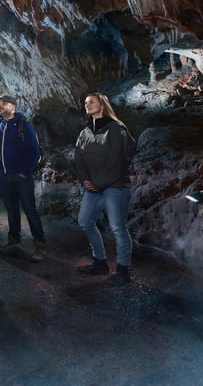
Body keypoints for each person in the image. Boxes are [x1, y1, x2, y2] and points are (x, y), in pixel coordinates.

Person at [74, 92, 138, 284]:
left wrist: (98, 183)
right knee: (85, 222)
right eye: (85, 102)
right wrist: (85, 180)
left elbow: (117, 161)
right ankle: (100, 262)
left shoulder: (116, 129)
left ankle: (123, 270)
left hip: (115, 186)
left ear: (102, 104)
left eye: (91, 101)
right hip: (92, 187)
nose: (87, 104)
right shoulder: (85, 132)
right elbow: (78, 158)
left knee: (118, 227)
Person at [0, 94, 46, 262]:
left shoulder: (24, 126)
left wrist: (23, 171)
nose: (1, 105)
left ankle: (40, 246)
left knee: (29, 209)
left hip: (21, 176)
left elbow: (34, 151)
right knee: (11, 209)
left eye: (5, 103)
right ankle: (14, 241)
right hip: (4, 176)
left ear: (13, 106)